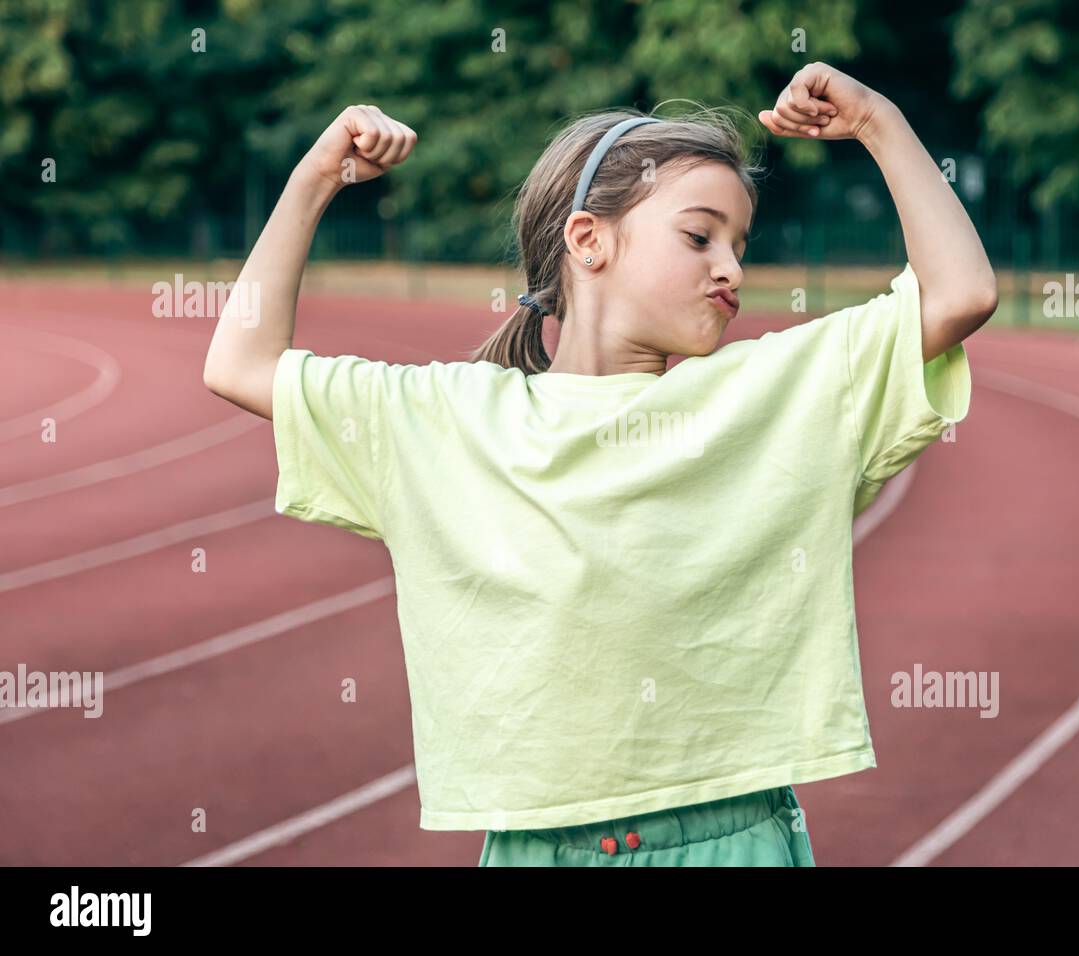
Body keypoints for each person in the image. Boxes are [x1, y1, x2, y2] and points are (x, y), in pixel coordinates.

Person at [203, 62, 996, 867]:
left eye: (739, 245)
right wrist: (314, 179)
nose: (732, 269)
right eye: (699, 236)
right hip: (535, 848)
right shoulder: (451, 420)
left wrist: (879, 122)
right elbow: (238, 364)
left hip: (737, 842)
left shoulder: (770, 392)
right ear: (589, 240)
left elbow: (960, 292)